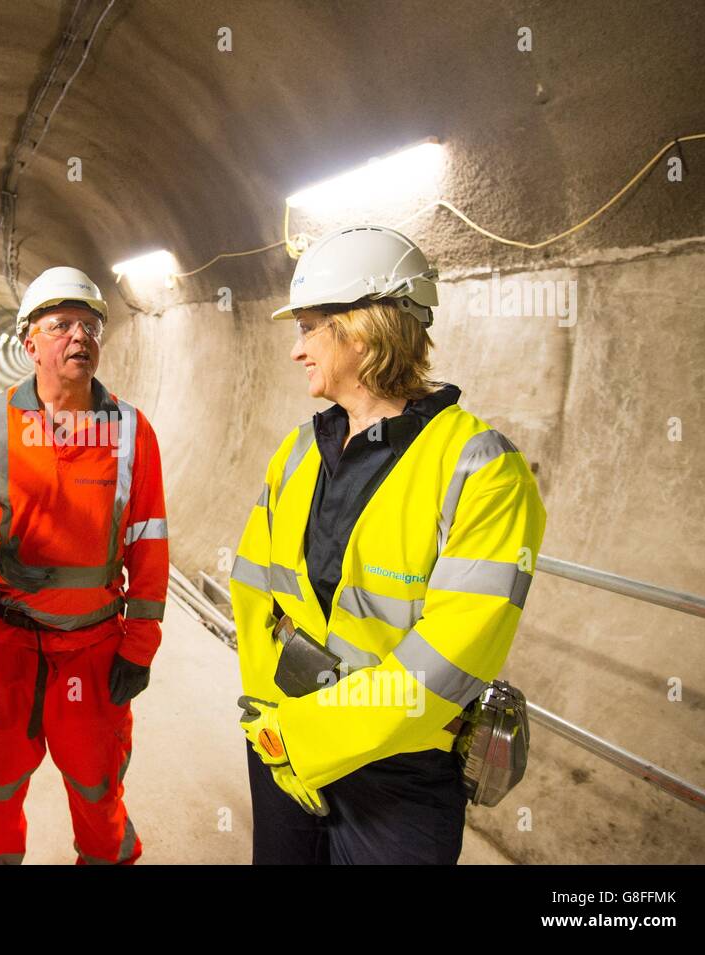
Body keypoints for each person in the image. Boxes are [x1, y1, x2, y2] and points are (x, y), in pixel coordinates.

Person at [229, 225, 547, 864]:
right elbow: (253, 593)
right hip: (282, 741)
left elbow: (453, 653)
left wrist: (309, 737)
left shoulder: (482, 469)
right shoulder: (296, 453)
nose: (297, 351)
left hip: (399, 776)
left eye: (309, 327)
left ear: (364, 329)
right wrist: (273, 723)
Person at [0, 266, 169, 864]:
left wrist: (139, 645)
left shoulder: (130, 431)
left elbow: (148, 541)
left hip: (92, 649)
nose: (80, 336)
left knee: (98, 789)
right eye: (61, 324)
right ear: (29, 343)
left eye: (90, 325)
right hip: (4, 644)